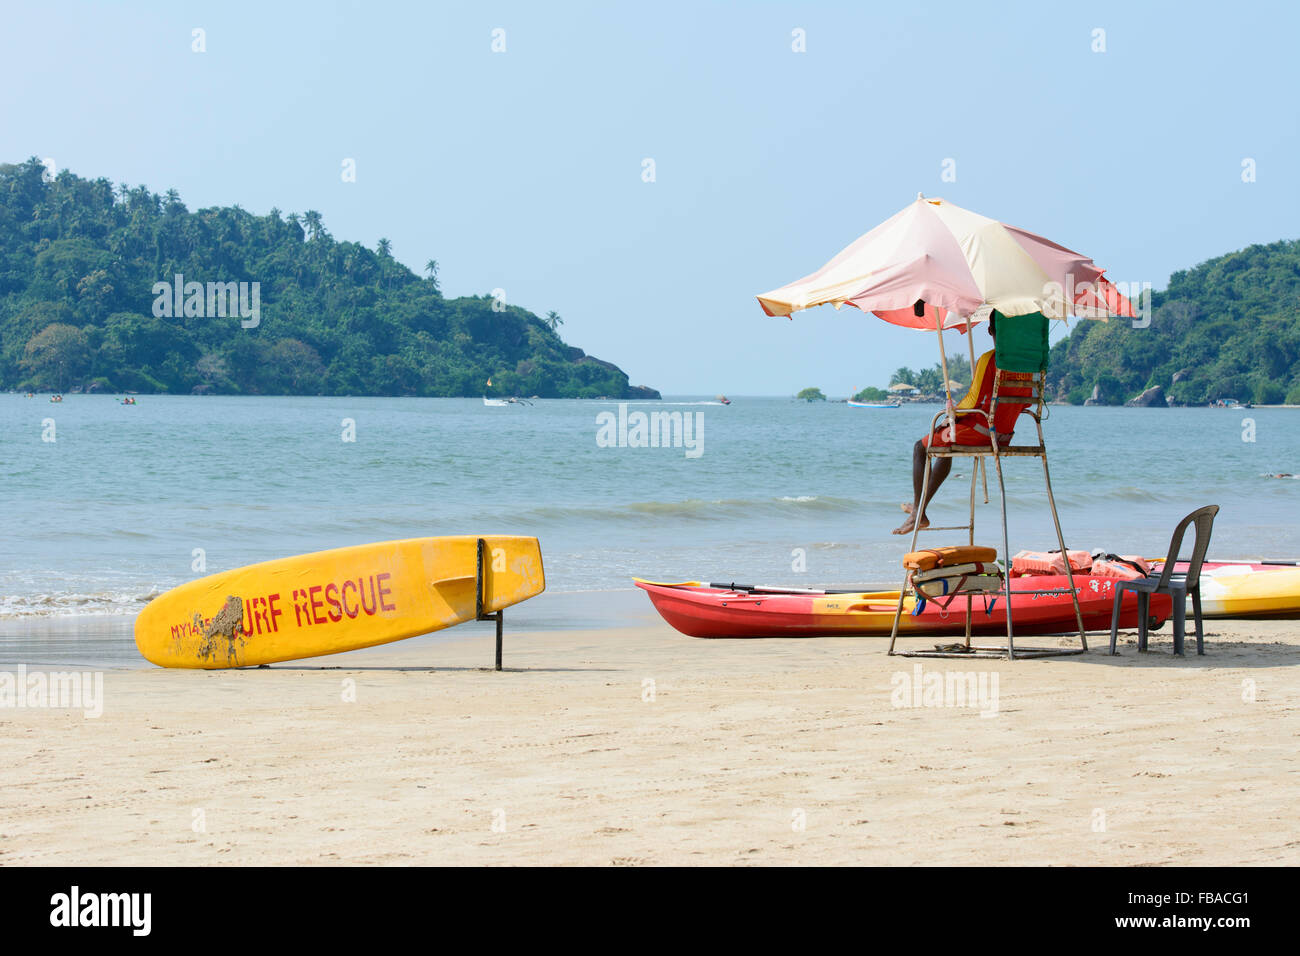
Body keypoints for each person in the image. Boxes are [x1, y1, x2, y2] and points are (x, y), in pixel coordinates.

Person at [893, 314, 1002, 535]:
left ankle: (918, 512)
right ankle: (919, 509)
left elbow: (972, 399)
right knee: (944, 449)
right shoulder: (1028, 364)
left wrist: (950, 417)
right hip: (1004, 433)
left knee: (920, 447)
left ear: (990, 330)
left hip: (982, 431)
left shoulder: (989, 359)